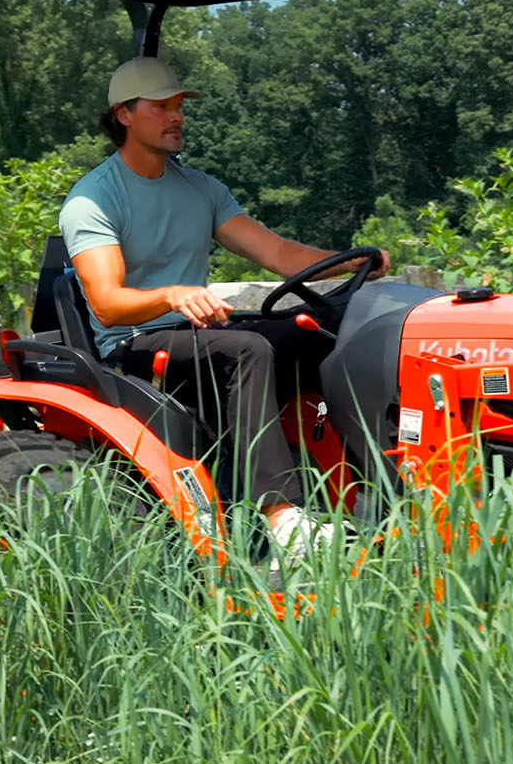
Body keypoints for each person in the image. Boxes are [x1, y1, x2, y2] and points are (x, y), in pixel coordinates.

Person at [59, 56, 387, 559]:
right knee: (247, 349)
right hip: (135, 342)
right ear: (124, 115)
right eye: (162, 106)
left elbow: (277, 253)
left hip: (197, 331)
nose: (177, 117)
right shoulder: (93, 201)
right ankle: (284, 519)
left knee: (318, 328)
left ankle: (365, 487)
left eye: (179, 107)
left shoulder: (200, 189)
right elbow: (106, 305)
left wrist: (350, 262)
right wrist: (171, 295)